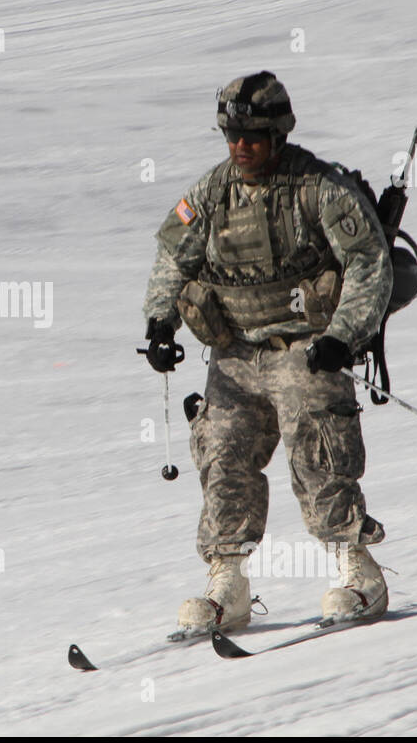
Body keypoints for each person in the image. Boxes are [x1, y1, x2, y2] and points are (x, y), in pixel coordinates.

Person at [142, 70, 394, 634]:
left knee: (319, 454)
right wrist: (160, 321)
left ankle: (360, 572)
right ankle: (227, 584)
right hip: (234, 353)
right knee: (221, 456)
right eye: (231, 135)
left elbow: (367, 262)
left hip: (307, 350)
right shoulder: (211, 193)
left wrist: (342, 336)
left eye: (253, 136)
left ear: (279, 135)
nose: (240, 147)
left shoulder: (319, 189)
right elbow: (171, 258)